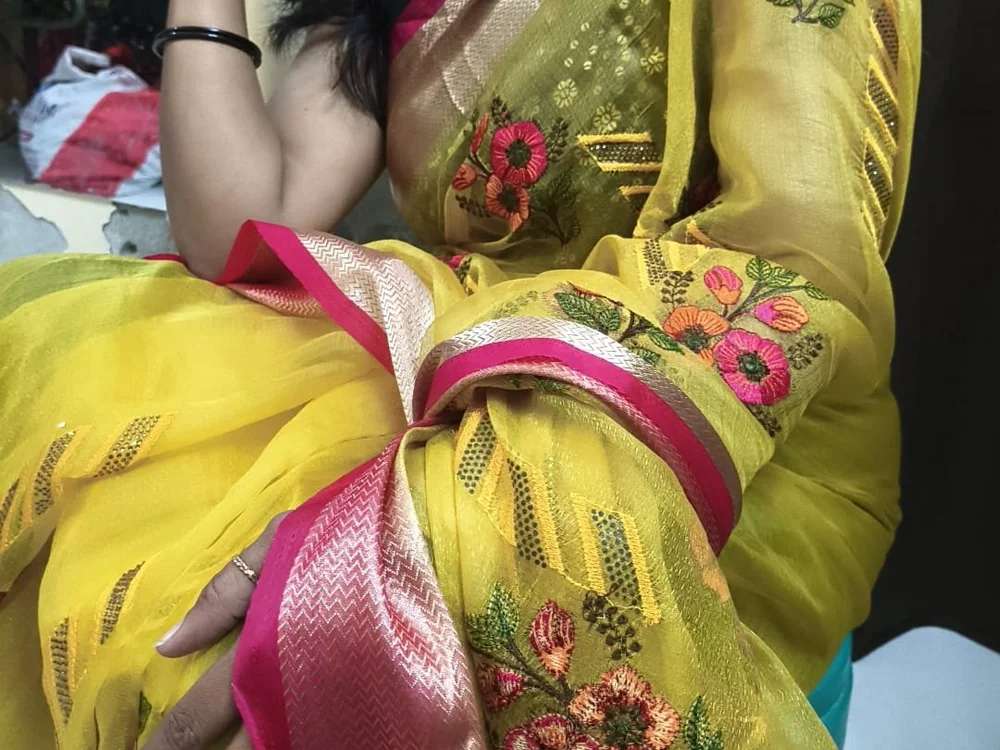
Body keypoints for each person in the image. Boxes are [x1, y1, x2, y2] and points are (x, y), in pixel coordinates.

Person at [0, 0, 919, 748]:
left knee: (305, 654)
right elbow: (241, 221)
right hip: (449, 372)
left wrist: (428, 529)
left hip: (711, 421)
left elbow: (803, 248)